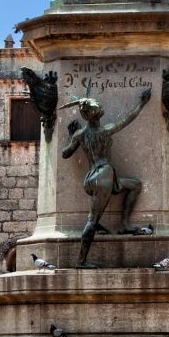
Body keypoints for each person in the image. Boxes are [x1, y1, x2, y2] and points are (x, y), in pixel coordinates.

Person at [61, 88, 152, 266]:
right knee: (93, 220)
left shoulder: (81, 134)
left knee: (135, 186)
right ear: (95, 115)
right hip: (104, 175)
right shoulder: (105, 131)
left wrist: (73, 137)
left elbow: (65, 154)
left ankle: (124, 224)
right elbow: (127, 119)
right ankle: (81, 261)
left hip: (95, 176)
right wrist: (141, 103)